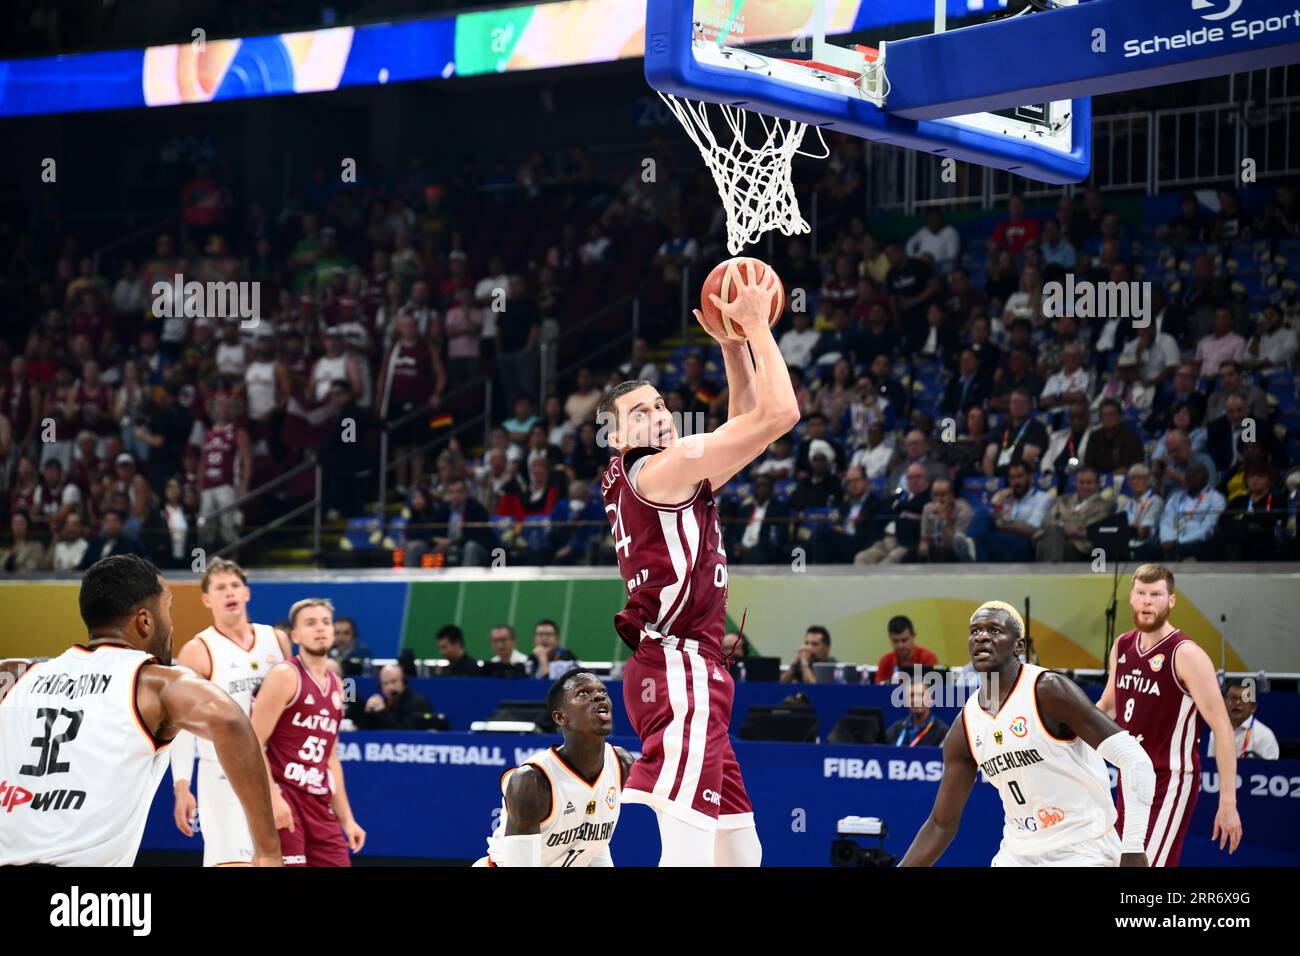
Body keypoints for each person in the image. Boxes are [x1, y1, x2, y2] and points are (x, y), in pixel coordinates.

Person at [595, 261, 798, 866]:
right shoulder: (666, 466)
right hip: (678, 666)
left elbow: (745, 427)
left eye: (659, 405)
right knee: (686, 855)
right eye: (639, 414)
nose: (657, 416)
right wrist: (757, 326)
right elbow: (779, 417)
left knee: (740, 854)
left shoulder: (656, 474)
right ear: (615, 437)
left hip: (690, 666)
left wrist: (733, 350)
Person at [0, 555, 281, 866]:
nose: (171, 624)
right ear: (145, 621)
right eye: (168, 609)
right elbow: (230, 720)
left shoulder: (18, 675)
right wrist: (268, 852)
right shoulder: (154, 683)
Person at [900, 601, 1155, 867]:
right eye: (975, 631)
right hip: (1016, 856)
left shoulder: (1048, 691)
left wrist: (1133, 850)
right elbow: (941, 825)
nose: (982, 636)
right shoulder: (965, 726)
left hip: (1083, 851)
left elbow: (1135, 759)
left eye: (994, 630)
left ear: (1018, 646)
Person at [1097, 564, 1243, 866]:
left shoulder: (1186, 654)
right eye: (1141, 593)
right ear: (1132, 598)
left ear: (1171, 601)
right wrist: (1058, 739)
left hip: (1170, 779)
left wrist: (1228, 801)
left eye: (1156, 594)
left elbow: (1222, 727)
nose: (1147, 601)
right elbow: (1107, 706)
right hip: (1130, 775)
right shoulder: (1122, 645)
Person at [169, 558, 291, 866]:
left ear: (247, 593)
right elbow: (181, 725)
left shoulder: (276, 640)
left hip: (276, 771)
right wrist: (181, 784)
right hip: (223, 774)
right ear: (207, 599)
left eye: (235, 585)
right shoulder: (197, 650)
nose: (229, 592)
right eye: (220, 587)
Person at [474, 671, 635, 866]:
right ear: (560, 717)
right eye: (583, 693)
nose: (600, 696)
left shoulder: (621, 763)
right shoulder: (532, 780)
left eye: (603, 691)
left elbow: (594, 846)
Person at [250, 598, 365, 866]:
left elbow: (331, 757)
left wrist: (347, 819)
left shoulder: (337, 685)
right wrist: (273, 799)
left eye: (326, 622)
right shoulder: (285, 675)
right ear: (296, 635)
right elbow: (253, 743)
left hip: (319, 801)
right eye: (310, 623)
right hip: (285, 795)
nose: (320, 628)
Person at [1034, 468, 1114, 562]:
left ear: (1097, 484)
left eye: (1089, 483)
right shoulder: (1062, 500)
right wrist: (1064, 526)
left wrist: (1063, 525)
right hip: (1057, 539)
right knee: (1049, 537)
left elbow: (1089, 529)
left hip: (1083, 546)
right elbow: (1048, 521)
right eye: (1081, 482)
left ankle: (1051, 571)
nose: (1085, 486)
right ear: (1075, 483)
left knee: (1052, 539)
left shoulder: (1104, 505)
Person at [1157, 462, 1226, 562]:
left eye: (1197, 472)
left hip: (1199, 543)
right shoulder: (1176, 497)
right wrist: (1167, 539)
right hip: (1171, 543)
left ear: (1207, 477)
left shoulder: (1216, 498)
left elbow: (1208, 528)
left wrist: (1178, 542)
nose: (1192, 475)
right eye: (1189, 471)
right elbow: (1166, 521)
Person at [985, 462, 1052, 562]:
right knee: (982, 519)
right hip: (1002, 537)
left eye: (1020, 477)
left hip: (1026, 541)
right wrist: (999, 502)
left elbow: (1031, 529)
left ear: (1030, 477)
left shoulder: (1042, 498)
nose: (1016, 482)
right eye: (1012, 478)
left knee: (987, 540)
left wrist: (1001, 525)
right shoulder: (1006, 497)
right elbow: (995, 520)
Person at [1207, 679, 1280, 761]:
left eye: (1244, 699)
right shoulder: (1216, 732)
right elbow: (1211, 768)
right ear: (1224, 703)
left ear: (1253, 707)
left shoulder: (1264, 736)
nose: (1237, 702)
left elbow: (1270, 771)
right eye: (1233, 698)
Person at [356, 663, 437, 730]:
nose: (390, 687)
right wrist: (368, 713)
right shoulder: (384, 703)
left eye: (394, 681)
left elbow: (405, 734)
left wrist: (382, 712)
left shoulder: (418, 703)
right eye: (385, 683)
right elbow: (364, 734)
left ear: (404, 681)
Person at [874, 616, 939, 684]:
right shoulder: (885, 661)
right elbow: (877, 690)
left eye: (904, 640)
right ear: (890, 638)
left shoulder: (927, 657)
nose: (900, 645)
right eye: (895, 641)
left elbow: (933, 690)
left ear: (913, 636)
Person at [884, 681, 948, 747]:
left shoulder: (942, 732)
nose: (916, 700)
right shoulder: (896, 728)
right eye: (911, 695)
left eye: (921, 695)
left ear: (931, 698)